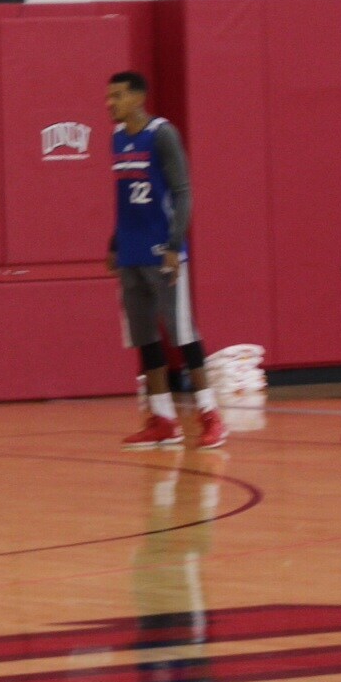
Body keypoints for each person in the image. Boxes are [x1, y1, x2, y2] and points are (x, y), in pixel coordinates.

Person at [108, 73, 225, 451]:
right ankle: (162, 419)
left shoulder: (162, 134)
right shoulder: (116, 139)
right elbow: (125, 199)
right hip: (131, 251)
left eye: (118, 96)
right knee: (145, 336)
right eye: (108, 97)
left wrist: (175, 243)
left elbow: (183, 191)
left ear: (139, 97)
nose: (110, 103)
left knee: (183, 333)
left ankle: (210, 415)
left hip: (163, 251)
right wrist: (114, 242)